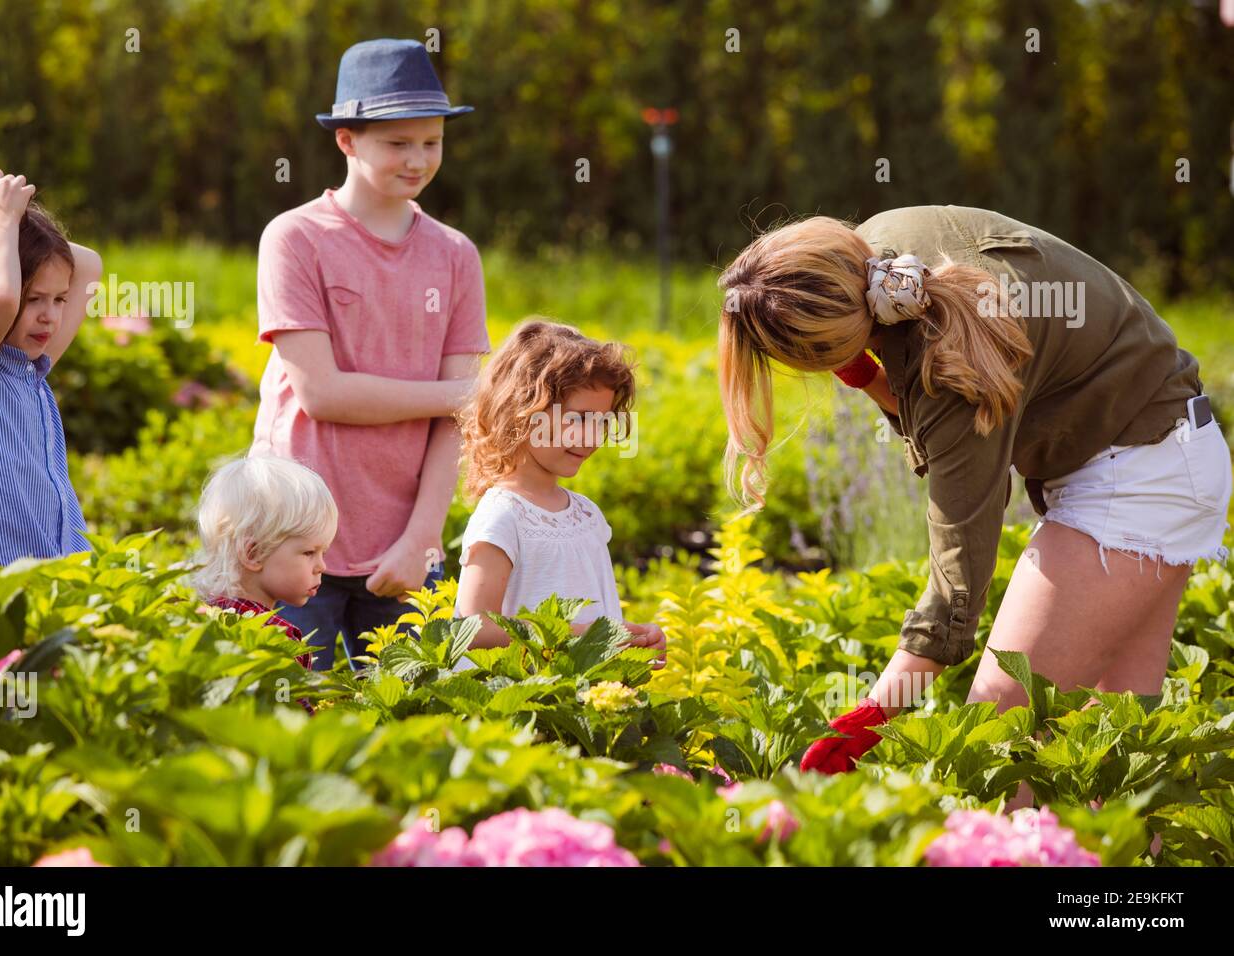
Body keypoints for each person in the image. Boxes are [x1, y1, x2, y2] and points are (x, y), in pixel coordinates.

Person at [717, 206, 1231, 808]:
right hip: (1171, 448)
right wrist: (861, 370)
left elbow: (958, 581)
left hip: (1141, 479)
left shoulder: (949, 371)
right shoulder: (884, 245)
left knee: (992, 750)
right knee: (1114, 778)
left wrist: (870, 717)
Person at [250, 39, 490, 670]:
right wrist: (462, 395)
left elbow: (456, 421)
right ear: (347, 141)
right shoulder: (295, 237)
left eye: (431, 142)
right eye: (397, 143)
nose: (417, 160)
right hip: (292, 539)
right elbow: (322, 394)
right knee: (294, 722)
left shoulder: (456, 255)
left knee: (414, 733)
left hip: (405, 547)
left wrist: (421, 537)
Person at [453, 320, 666, 669]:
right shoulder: (503, 515)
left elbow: (599, 619)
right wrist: (577, 636)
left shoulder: (586, 515)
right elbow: (474, 628)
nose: (592, 438)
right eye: (580, 419)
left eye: (601, 422)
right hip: (524, 709)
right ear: (523, 411)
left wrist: (634, 641)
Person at [0, 170, 103, 566]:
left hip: (51, 588)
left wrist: (9, 227)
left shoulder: (31, 369)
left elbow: (89, 265)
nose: (50, 317)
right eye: (34, 299)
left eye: (59, 299)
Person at [193, 454, 338, 711]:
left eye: (323, 552)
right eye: (309, 553)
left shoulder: (199, 618)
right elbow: (293, 720)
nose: (322, 566)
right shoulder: (277, 639)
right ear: (253, 553)